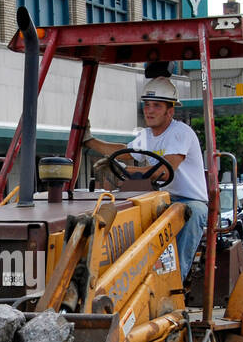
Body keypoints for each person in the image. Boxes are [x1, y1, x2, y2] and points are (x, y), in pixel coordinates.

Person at [81, 76, 210, 279]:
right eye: (147, 105)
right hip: (162, 198)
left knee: (188, 213)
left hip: (189, 200)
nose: (149, 110)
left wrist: (121, 169)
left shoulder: (180, 133)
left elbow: (164, 171)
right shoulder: (147, 135)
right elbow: (125, 151)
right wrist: (90, 142)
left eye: (156, 106)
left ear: (170, 110)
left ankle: (174, 282)